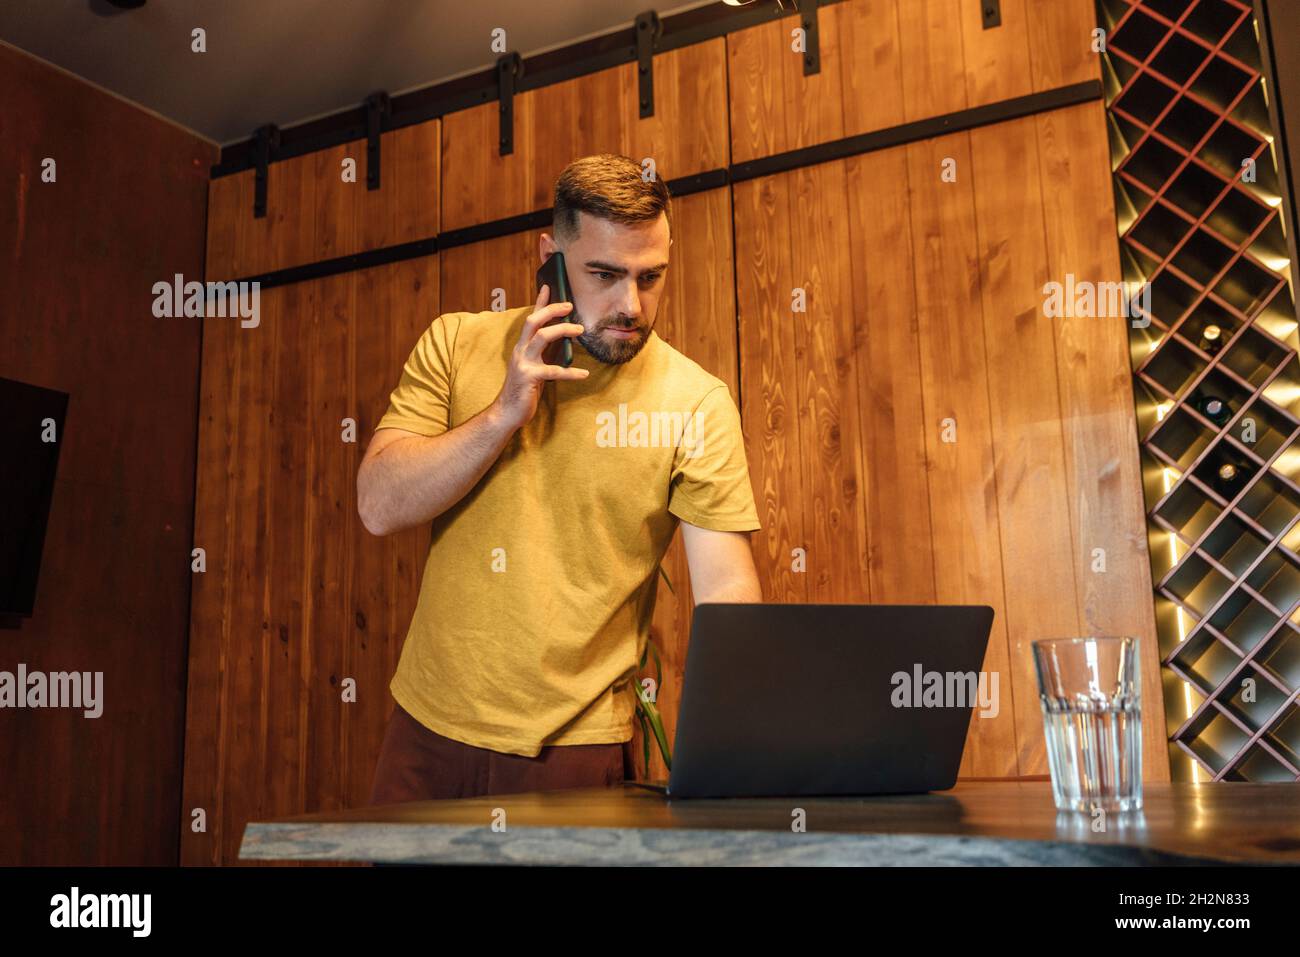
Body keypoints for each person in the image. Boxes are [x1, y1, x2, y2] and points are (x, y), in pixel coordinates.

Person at [358, 153, 762, 804]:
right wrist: (501, 415)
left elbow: (727, 589)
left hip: (579, 749)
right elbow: (378, 503)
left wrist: (739, 757)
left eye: (650, 276)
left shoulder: (697, 403)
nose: (630, 304)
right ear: (550, 254)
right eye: (603, 274)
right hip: (426, 734)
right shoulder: (455, 342)